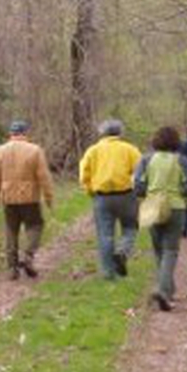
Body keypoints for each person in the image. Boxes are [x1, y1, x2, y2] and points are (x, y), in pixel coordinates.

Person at [134, 126, 187, 311]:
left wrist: (147, 195)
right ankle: (164, 292)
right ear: (176, 142)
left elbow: (137, 185)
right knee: (170, 250)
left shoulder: (146, 159)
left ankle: (166, 290)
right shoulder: (183, 161)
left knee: (158, 250)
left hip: (152, 206)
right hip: (176, 207)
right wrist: (183, 196)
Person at [0, 120, 54, 280]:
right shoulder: (35, 150)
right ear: (25, 133)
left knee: (11, 230)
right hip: (30, 198)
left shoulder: (0, 151)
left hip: (8, 198)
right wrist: (49, 198)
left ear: (11, 133)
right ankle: (28, 255)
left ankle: (12, 268)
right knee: (36, 225)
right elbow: (44, 177)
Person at [79, 119, 142, 279]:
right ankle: (122, 251)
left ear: (102, 133)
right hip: (126, 195)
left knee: (105, 235)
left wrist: (90, 190)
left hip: (102, 196)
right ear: (120, 132)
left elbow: (84, 174)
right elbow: (141, 171)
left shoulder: (93, 151)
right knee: (130, 228)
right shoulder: (130, 149)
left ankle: (108, 273)